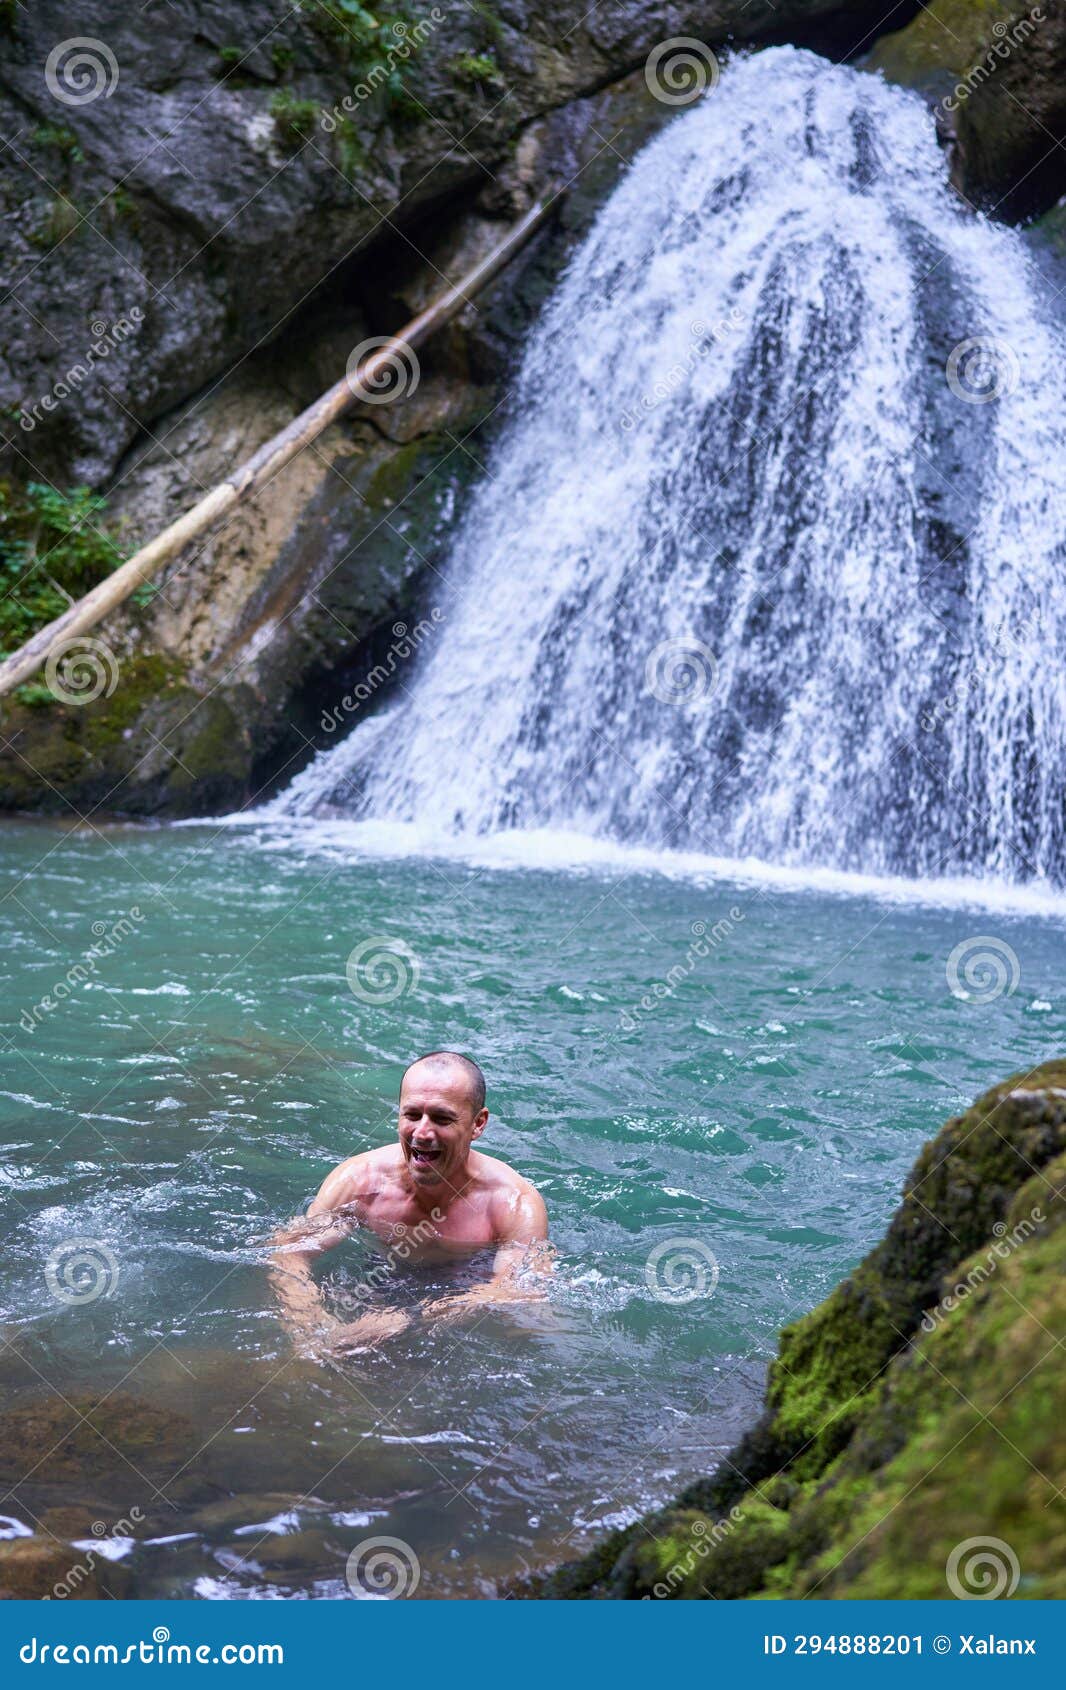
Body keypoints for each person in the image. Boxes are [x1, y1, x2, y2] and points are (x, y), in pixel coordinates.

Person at [270, 1051, 549, 1352]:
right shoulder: (359, 1181)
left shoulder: (513, 1203)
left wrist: (413, 1318)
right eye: (412, 1115)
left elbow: (522, 1291)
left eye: (442, 1118)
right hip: (380, 1280)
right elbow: (288, 1252)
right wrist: (311, 1327)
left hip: (464, 1300)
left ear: (478, 1124)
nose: (422, 1133)